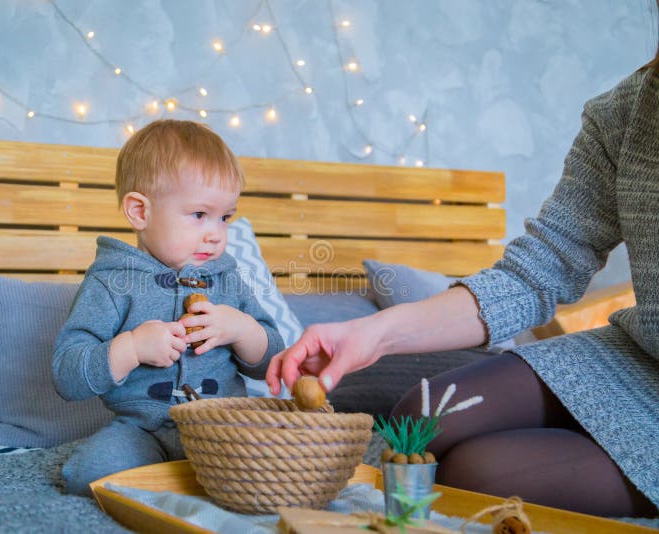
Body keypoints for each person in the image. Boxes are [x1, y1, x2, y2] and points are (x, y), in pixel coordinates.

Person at [267, 49, 659, 517]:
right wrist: (374, 333)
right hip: (634, 359)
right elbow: (536, 272)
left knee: (479, 476)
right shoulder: (625, 113)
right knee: (419, 421)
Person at [54, 119, 285, 496]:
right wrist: (132, 348)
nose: (215, 233)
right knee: (91, 474)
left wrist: (242, 329)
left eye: (225, 217)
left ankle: (212, 482)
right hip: (143, 432)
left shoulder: (227, 280)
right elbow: (68, 375)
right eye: (199, 215)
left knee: (276, 465)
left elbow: (270, 361)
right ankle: (181, 482)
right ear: (140, 212)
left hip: (224, 429)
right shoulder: (112, 282)